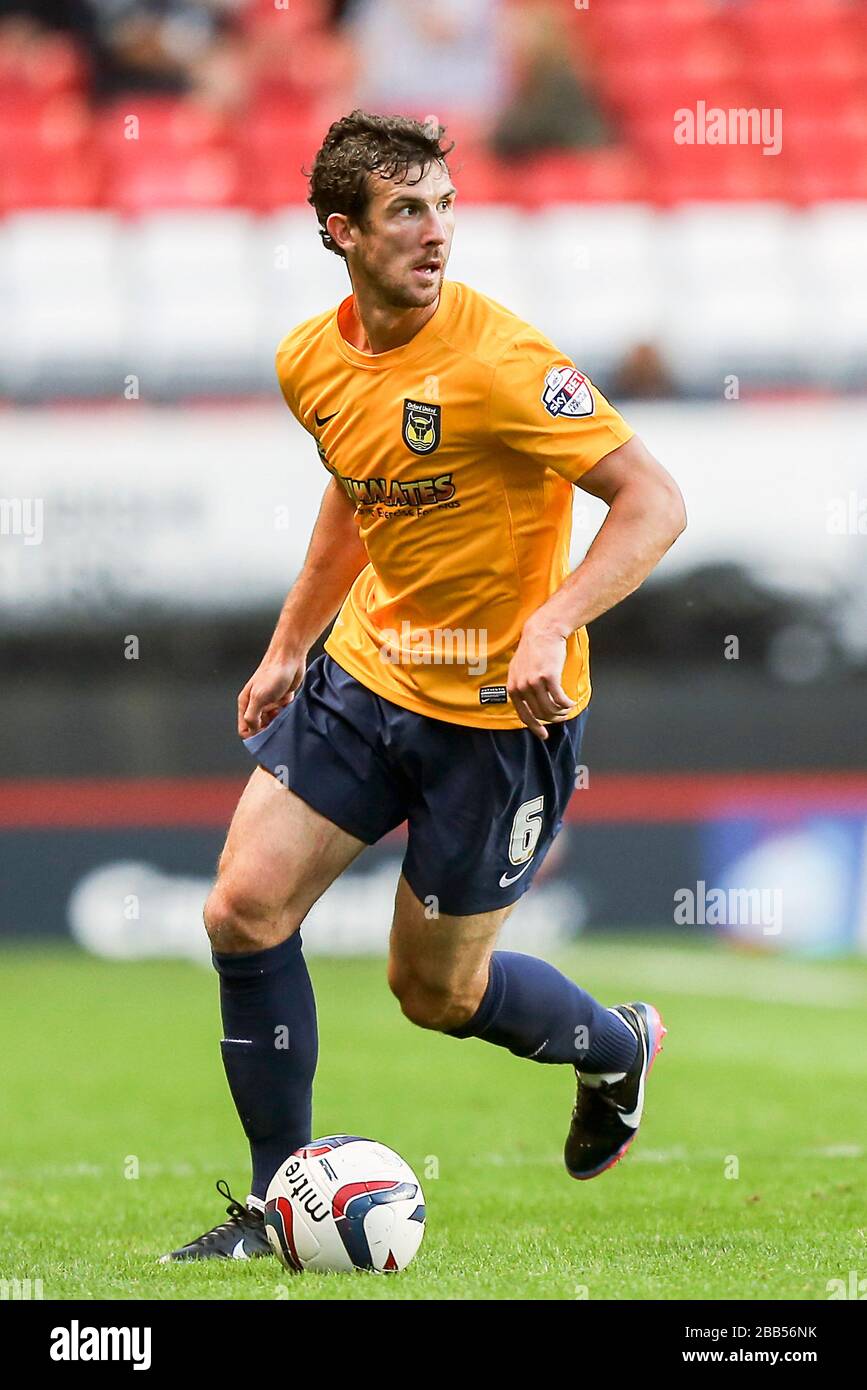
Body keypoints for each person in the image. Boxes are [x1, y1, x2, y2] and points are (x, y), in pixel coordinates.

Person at [159, 110, 686, 1262]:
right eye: (408, 210)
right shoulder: (312, 356)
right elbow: (361, 484)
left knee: (434, 994)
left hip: (499, 715)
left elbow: (654, 500)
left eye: (446, 205)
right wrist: (292, 639)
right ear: (340, 231)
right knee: (242, 910)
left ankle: (611, 1046)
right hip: (366, 670)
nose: (437, 231)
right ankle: (273, 1206)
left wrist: (554, 618)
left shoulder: (505, 362)